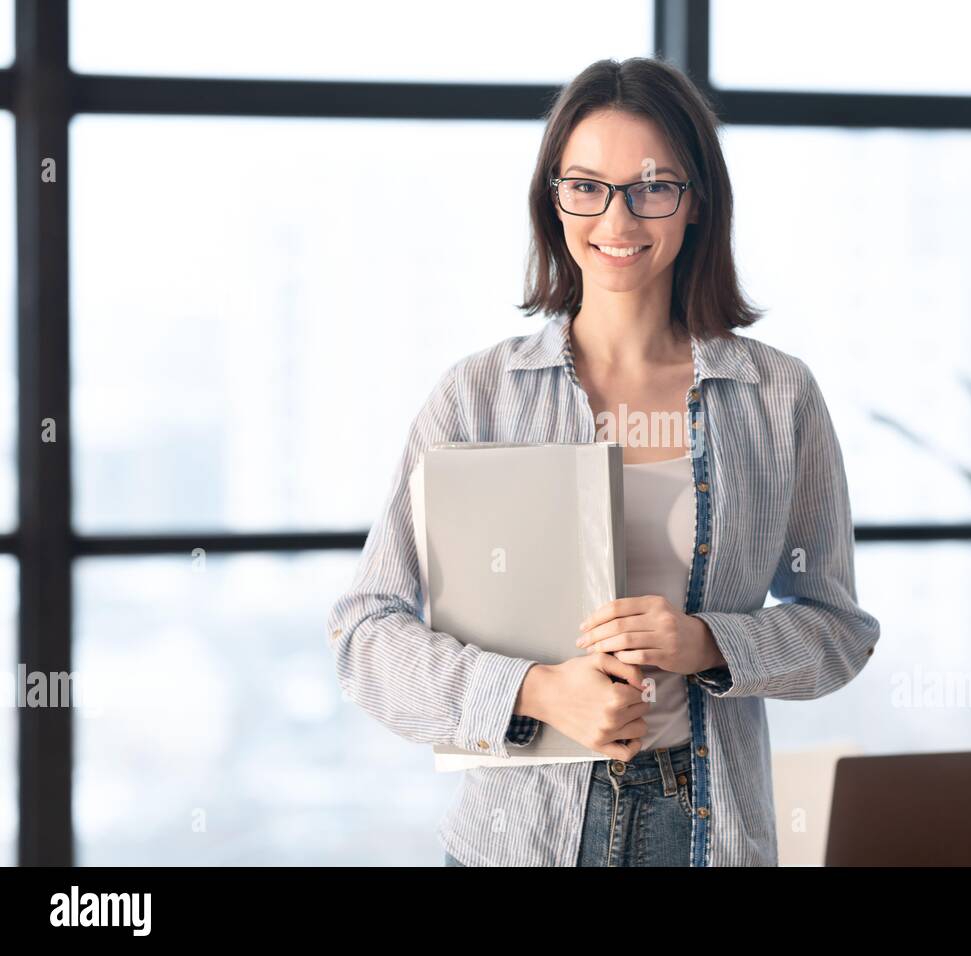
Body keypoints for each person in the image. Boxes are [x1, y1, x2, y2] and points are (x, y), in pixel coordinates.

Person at [327, 56, 881, 867]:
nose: (617, 219)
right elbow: (364, 635)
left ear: (695, 203)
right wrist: (535, 692)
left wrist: (708, 643)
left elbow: (838, 632)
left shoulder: (777, 397)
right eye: (586, 186)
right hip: (516, 842)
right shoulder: (478, 396)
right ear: (553, 201)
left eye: (652, 186)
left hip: (709, 836)